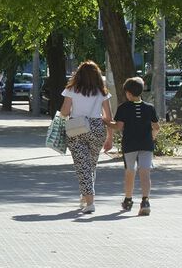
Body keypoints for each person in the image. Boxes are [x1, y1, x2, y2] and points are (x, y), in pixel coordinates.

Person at [58, 59, 113, 217]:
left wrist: (62, 119)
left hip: (76, 127)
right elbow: (108, 117)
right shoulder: (102, 92)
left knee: (82, 165)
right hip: (97, 127)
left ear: (79, 75)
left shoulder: (72, 89)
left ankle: (90, 202)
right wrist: (110, 138)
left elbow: (65, 111)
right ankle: (85, 196)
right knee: (91, 165)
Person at [115, 75, 156, 216]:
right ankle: (145, 201)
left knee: (130, 171)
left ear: (128, 93)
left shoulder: (123, 108)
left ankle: (128, 199)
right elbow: (156, 127)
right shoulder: (149, 108)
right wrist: (152, 138)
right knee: (145, 172)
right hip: (147, 144)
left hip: (129, 144)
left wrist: (106, 122)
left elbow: (118, 126)